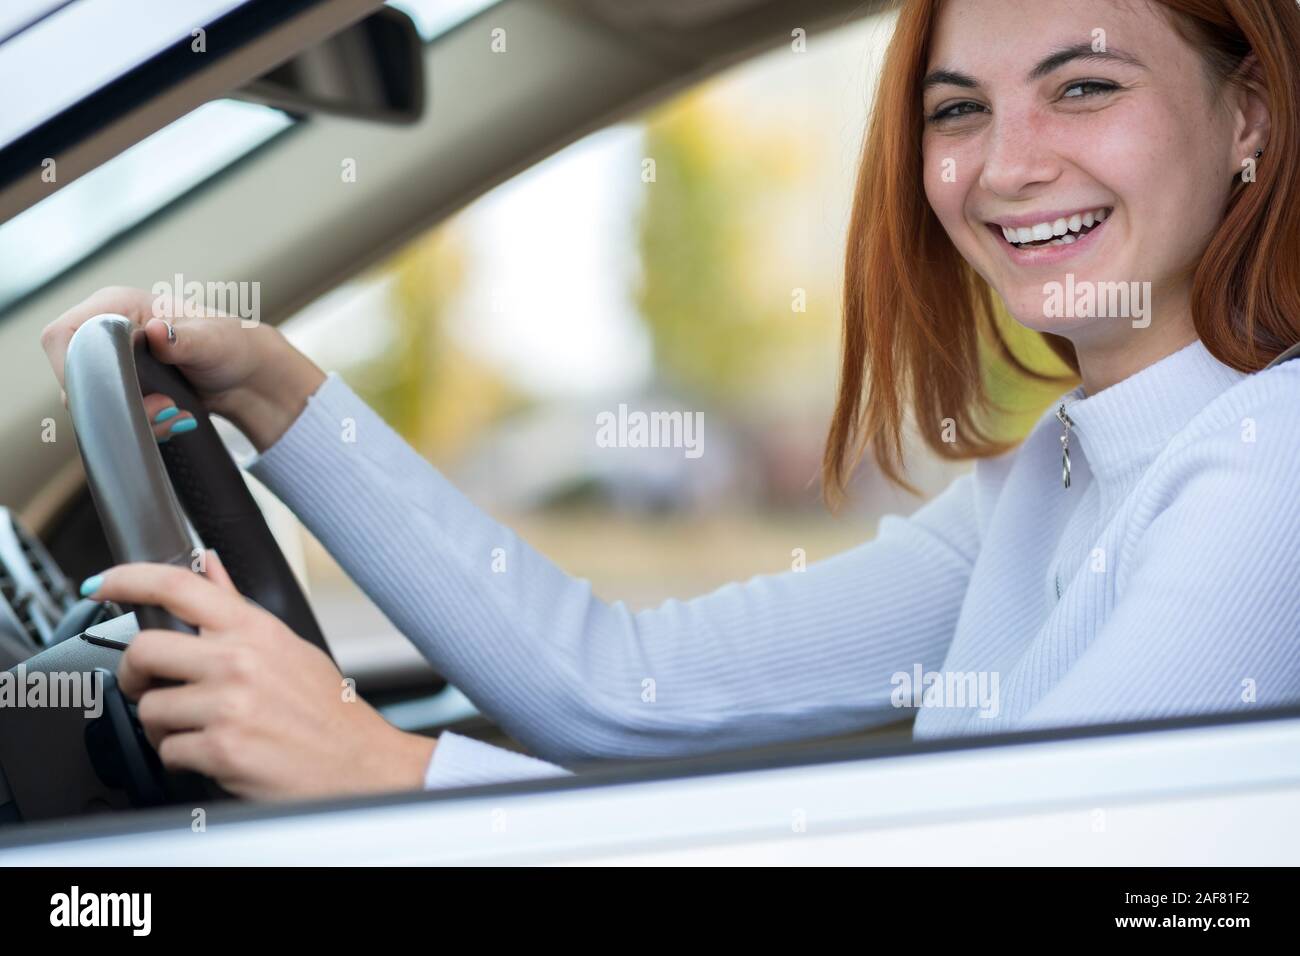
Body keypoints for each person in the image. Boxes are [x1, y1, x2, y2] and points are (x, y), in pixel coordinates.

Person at [40, 0, 1300, 800]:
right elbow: (615, 683)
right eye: (958, 109)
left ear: (1247, 114)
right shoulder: (1047, 477)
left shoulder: (1270, 459)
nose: (1009, 165)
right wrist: (284, 397)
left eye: (1085, 86)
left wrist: (382, 774)